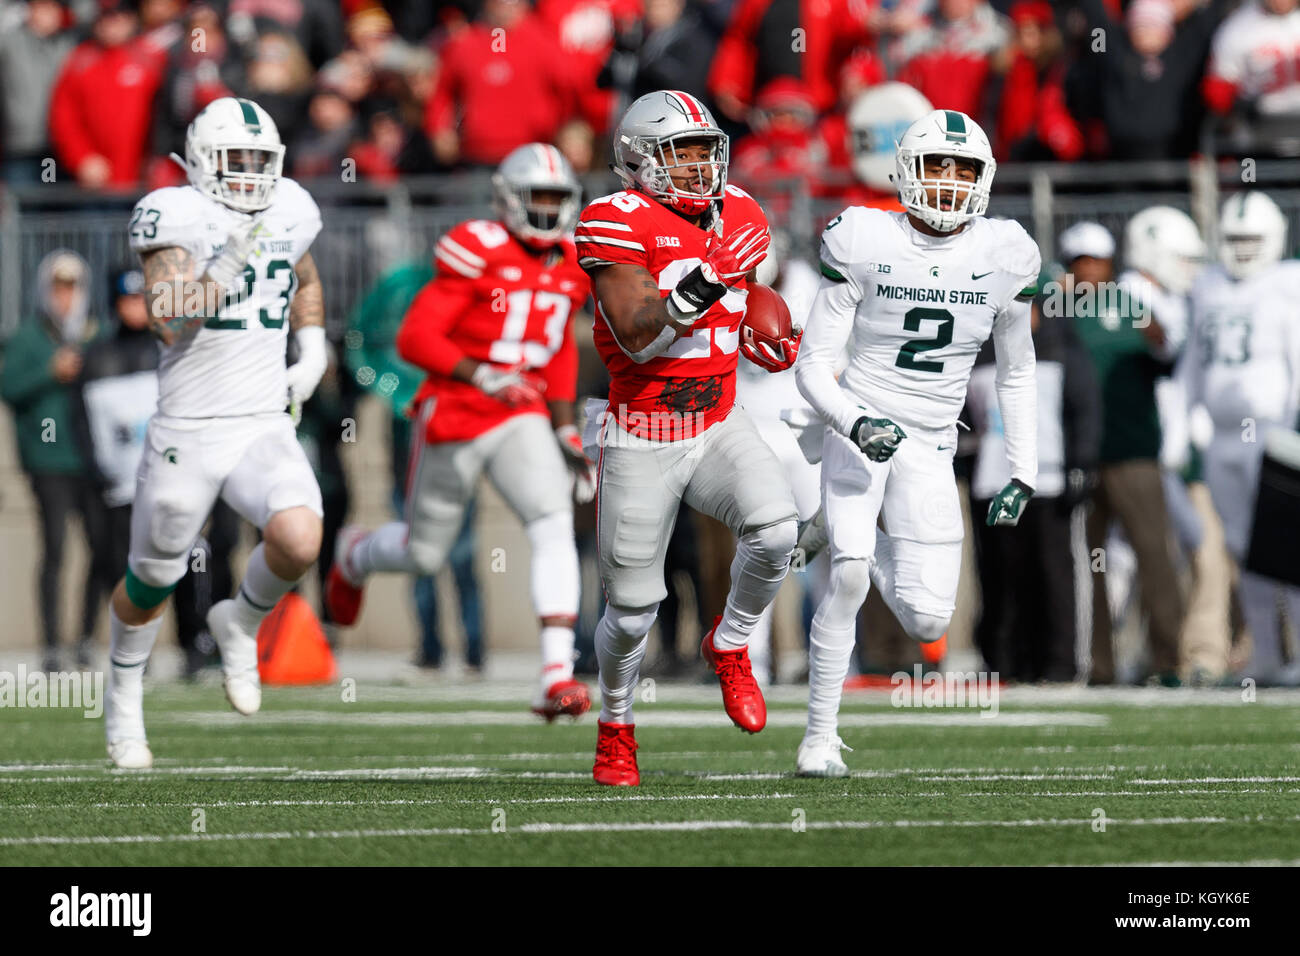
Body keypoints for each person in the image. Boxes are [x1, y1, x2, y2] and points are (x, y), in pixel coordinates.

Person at [795, 109, 1040, 776]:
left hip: (933, 441)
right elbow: (811, 364)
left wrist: (1024, 470)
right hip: (862, 421)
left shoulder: (1005, 252)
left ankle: (854, 540)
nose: (950, 182)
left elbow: (1018, 371)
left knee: (931, 624)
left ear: (985, 178)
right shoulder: (865, 237)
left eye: (964, 169)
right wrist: (852, 422)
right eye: (937, 165)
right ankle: (820, 737)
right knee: (844, 577)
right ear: (905, 172)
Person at [574, 89, 802, 786]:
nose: (701, 168)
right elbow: (639, 335)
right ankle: (616, 726)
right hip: (643, 429)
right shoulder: (614, 220)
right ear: (638, 161)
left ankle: (730, 643)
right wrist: (713, 279)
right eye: (683, 154)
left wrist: (764, 329)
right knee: (633, 611)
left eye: (708, 152)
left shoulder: (742, 212)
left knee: (777, 529)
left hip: (717, 419)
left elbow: (744, 298)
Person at [326, 143, 595, 718]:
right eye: (536, 198)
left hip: (520, 415)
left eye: (557, 199)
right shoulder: (479, 249)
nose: (548, 211)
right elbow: (415, 339)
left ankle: (554, 675)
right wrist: (482, 374)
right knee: (425, 554)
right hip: (455, 411)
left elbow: (558, 354)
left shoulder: (573, 262)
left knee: (552, 522)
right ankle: (356, 555)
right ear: (507, 200)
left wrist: (566, 428)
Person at [105, 96, 329, 770]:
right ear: (203, 161)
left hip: (260, 419)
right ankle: (121, 698)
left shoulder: (290, 206)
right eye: (236, 161)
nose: (250, 175)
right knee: (153, 577)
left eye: (261, 161)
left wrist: (312, 345)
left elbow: (304, 272)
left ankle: (241, 620)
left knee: (299, 537)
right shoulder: (176, 214)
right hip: (188, 427)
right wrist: (225, 269)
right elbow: (168, 320)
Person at [1184, 192, 1300, 685]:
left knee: (1289, 549)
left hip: (1273, 434)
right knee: (1242, 549)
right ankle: (1267, 656)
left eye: (1253, 238)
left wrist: (1294, 426)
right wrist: (1185, 417)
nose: (1245, 248)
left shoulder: (1288, 282)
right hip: (1221, 437)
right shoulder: (1208, 284)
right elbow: (1193, 356)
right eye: (1236, 239)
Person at [1065, 220, 1186, 685]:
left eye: (1094, 261)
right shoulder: (1059, 311)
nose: (1088, 270)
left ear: (1109, 263)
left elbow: (1167, 359)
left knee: (1154, 555)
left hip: (1133, 452)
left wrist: (1158, 337)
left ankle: (1168, 661)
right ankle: (1098, 663)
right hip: (1083, 455)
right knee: (1088, 565)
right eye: (1080, 262)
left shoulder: (1132, 303)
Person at [0, 250, 110, 673]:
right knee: (55, 551)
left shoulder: (95, 334)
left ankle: (84, 638)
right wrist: (51, 370)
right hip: (48, 461)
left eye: (73, 288)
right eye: (59, 288)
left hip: (91, 459)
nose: (66, 298)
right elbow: (9, 387)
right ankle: (51, 644)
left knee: (101, 549)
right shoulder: (29, 336)